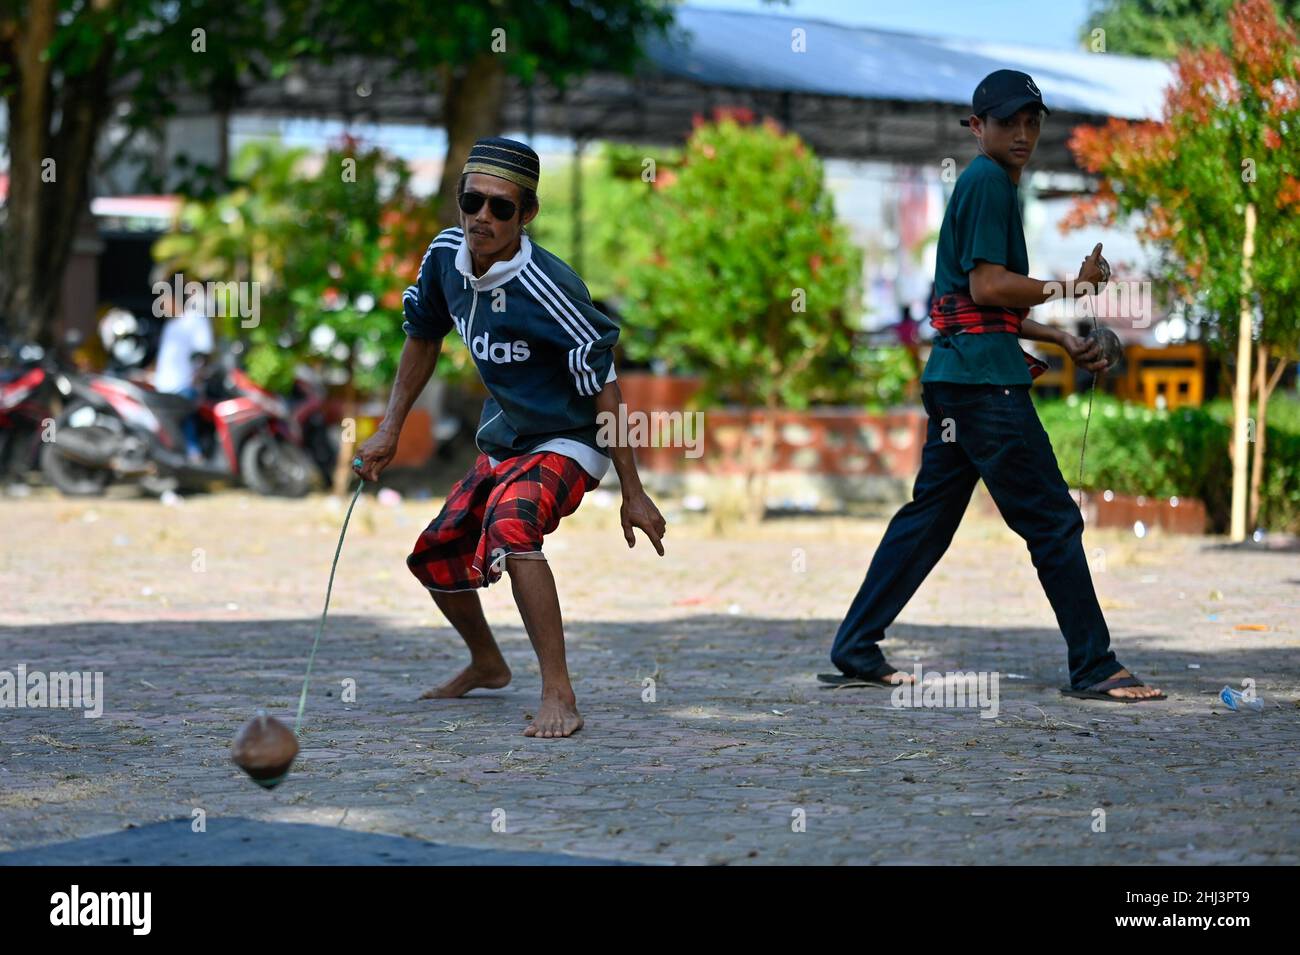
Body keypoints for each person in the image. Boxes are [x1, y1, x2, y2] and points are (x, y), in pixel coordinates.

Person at [827, 70, 1164, 703]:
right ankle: (1094, 665)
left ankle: (855, 644)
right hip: (984, 388)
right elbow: (988, 288)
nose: (1024, 133)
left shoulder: (990, 183)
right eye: (1009, 122)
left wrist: (1060, 337)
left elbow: (978, 304)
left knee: (930, 518)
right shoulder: (988, 182)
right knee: (1054, 521)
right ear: (977, 127)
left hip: (960, 377)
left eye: (1033, 121)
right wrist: (1071, 289)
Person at [354, 137, 667, 738]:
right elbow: (423, 335)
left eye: (502, 208)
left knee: (512, 526)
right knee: (436, 552)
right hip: (509, 437)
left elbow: (605, 387)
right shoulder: (445, 257)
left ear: (527, 216)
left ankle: (560, 694)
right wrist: (390, 428)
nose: (483, 217)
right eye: (473, 202)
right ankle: (487, 663)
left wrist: (633, 490)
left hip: (572, 437)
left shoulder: (550, 288)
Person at [152, 287, 214, 463]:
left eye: (165, 300)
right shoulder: (171, 325)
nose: (162, 305)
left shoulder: (195, 320)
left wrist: (196, 380)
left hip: (184, 385)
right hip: (164, 388)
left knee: (186, 427)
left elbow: (204, 352)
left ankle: (195, 460)